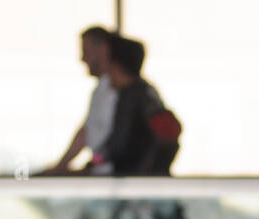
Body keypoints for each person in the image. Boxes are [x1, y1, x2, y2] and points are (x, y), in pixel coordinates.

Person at [94, 34, 178, 176]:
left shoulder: (129, 97)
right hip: (154, 177)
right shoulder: (147, 91)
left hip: (134, 179)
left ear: (116, 66)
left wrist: (94, 161)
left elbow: (117, 144)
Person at [45, 26, 117, 175]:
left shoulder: (119, 91)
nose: (82, 58)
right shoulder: (100, 90)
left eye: (86, 51)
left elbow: (117, 144)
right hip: (102, 173)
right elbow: (85, 133)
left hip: (116, 176)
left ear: (103, 49)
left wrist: (67, 167)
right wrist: (61, 166)